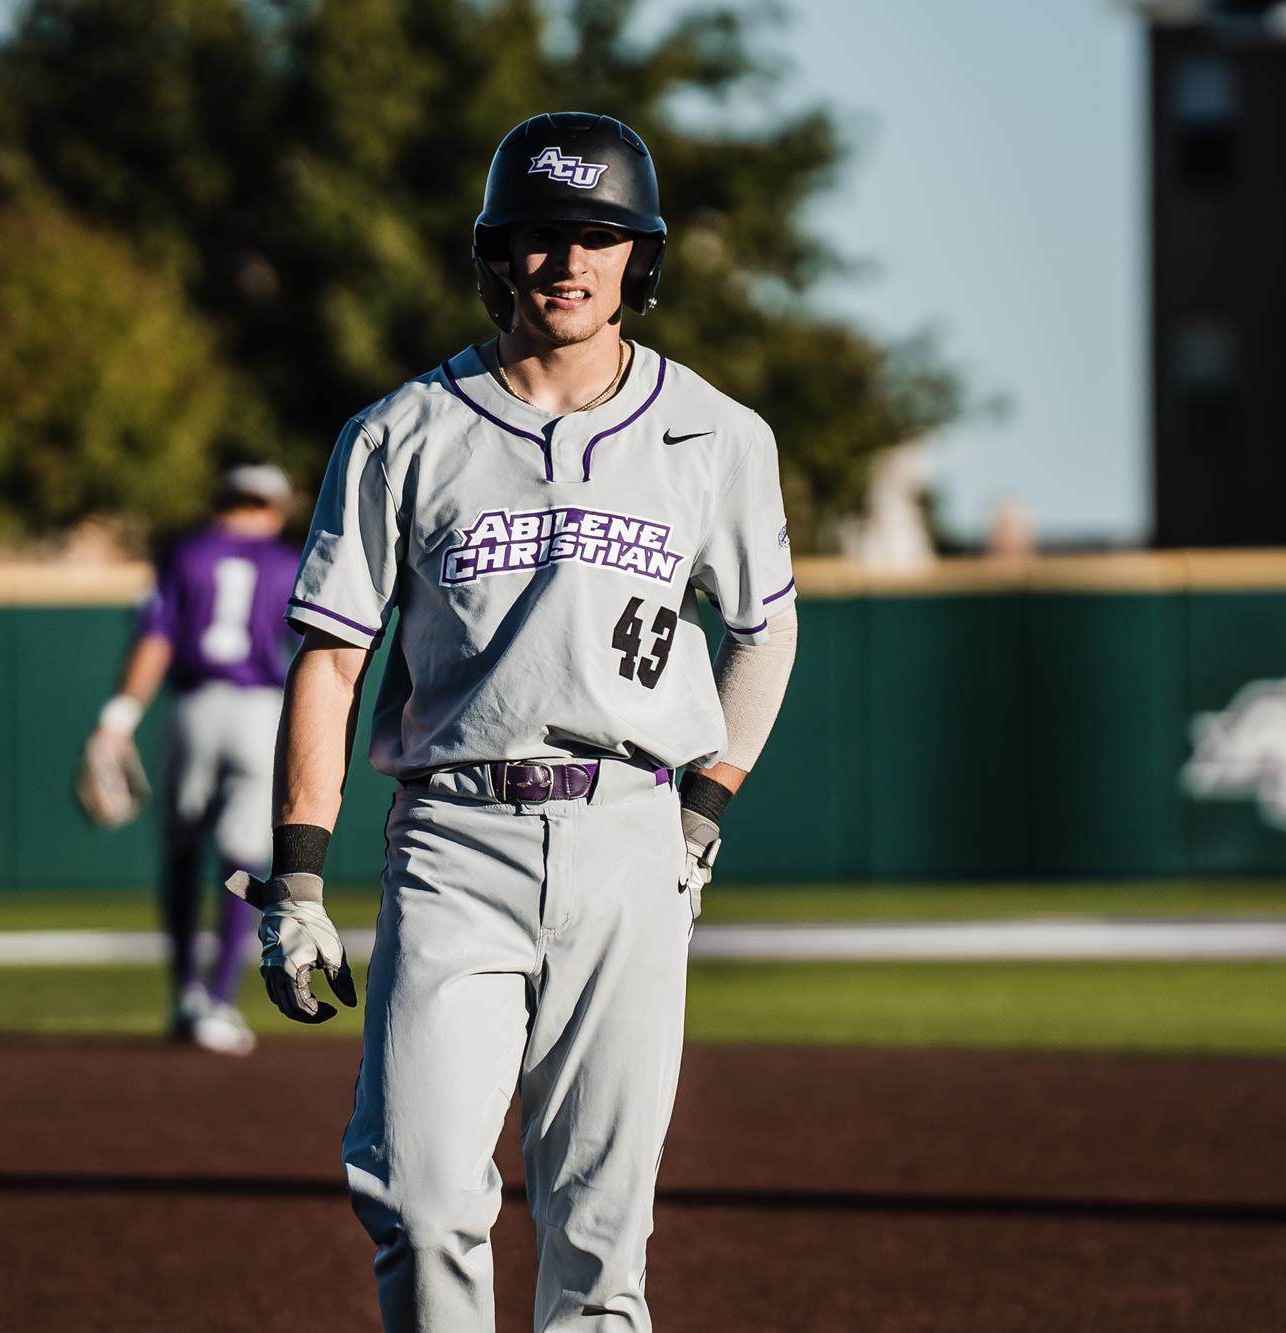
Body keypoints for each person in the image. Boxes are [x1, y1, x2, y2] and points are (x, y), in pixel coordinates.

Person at [227, 113, 799, 1331]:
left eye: (598, 234)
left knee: (599, 1241)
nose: (567, 261)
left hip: (629, 832)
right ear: (496, 254)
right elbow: (330, 658)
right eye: (539, 234)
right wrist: (298, 880)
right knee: (420, 1197)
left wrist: (704, 810)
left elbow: (764, 631)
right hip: (454, 838)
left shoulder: (716, 434)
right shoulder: (400, 432)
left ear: (638, 256)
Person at [86, 462, 300, 1053]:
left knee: (182, 853)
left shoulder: (186, 553)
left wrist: (118, 719)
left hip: (195, 710)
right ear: (275, 507)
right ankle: (220, 1002)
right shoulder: (289, 561)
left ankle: (186, 992)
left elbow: (156, 638)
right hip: (261, 711)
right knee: (243, 857)